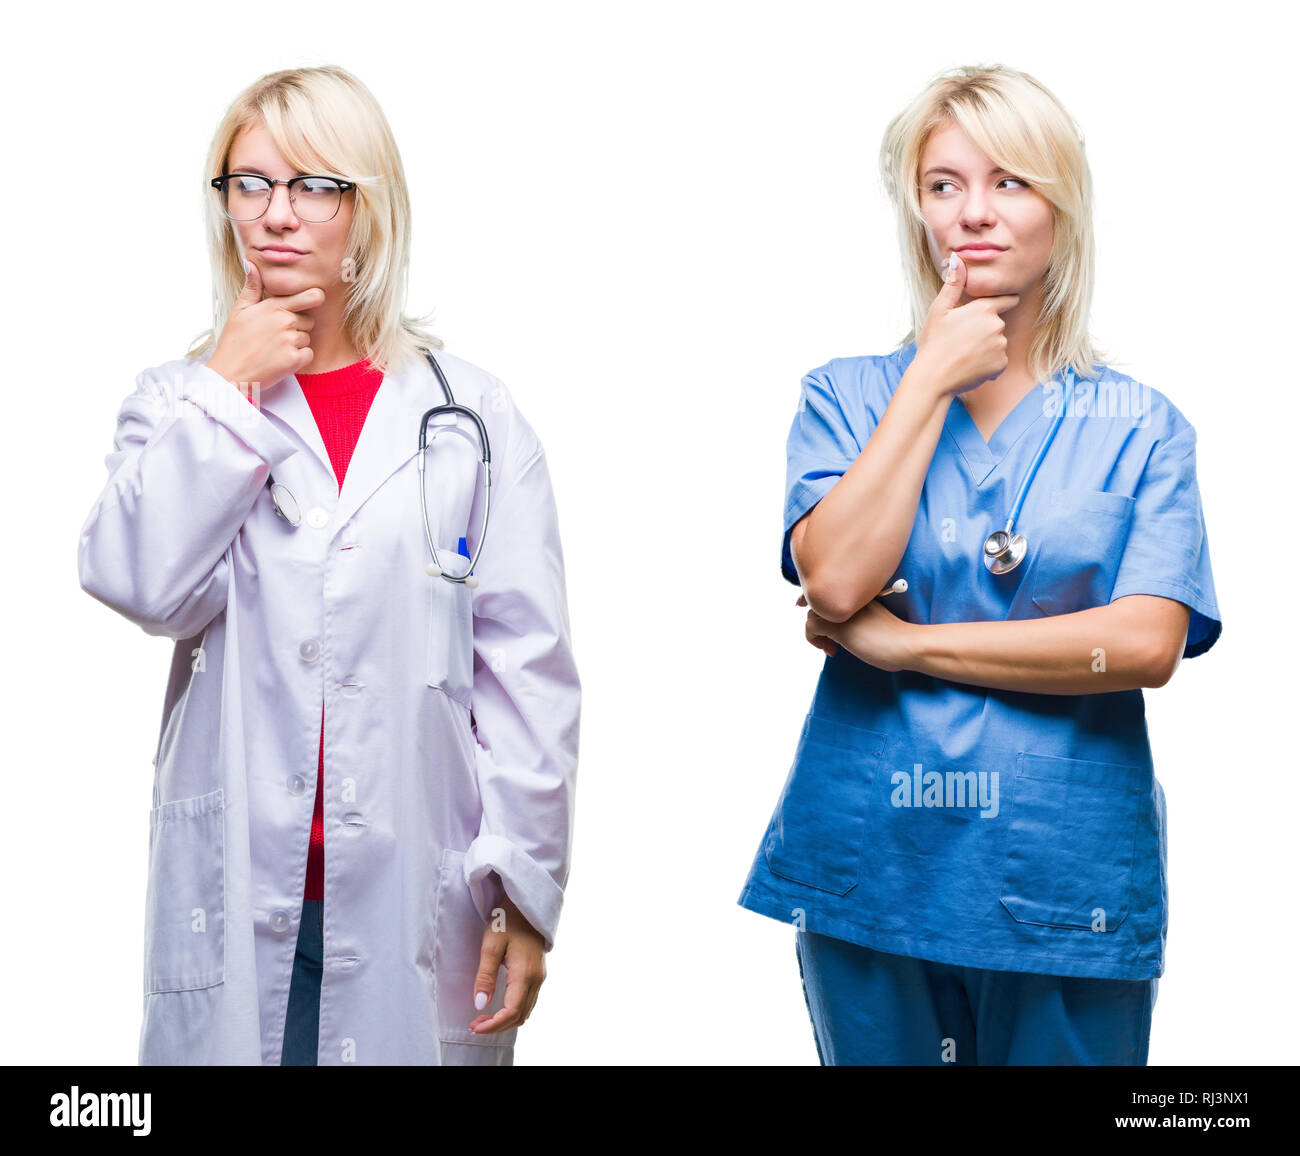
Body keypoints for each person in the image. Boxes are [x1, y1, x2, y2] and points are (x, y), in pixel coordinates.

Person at [77, 65, 580, 1066]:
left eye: (314, 185)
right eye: (248, 183)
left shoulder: (469, 417)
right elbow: (136, 580)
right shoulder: (180, 404)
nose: (275, 215)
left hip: (416, 892)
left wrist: (524, 889)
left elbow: (526, 669)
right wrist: (227, 387)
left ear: (369, 207)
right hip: (237, 887)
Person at [736, 64, 1221, 1066]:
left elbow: (1141, 642)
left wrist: (908, 648)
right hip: (875, 863)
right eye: (943, 185)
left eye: (1010, 182)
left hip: (1063, 874)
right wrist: (927, 383)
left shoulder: (1140, 425)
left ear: (1061, 206)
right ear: (915, 211)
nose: (974, 214)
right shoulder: (847, 396)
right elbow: (834, 580)